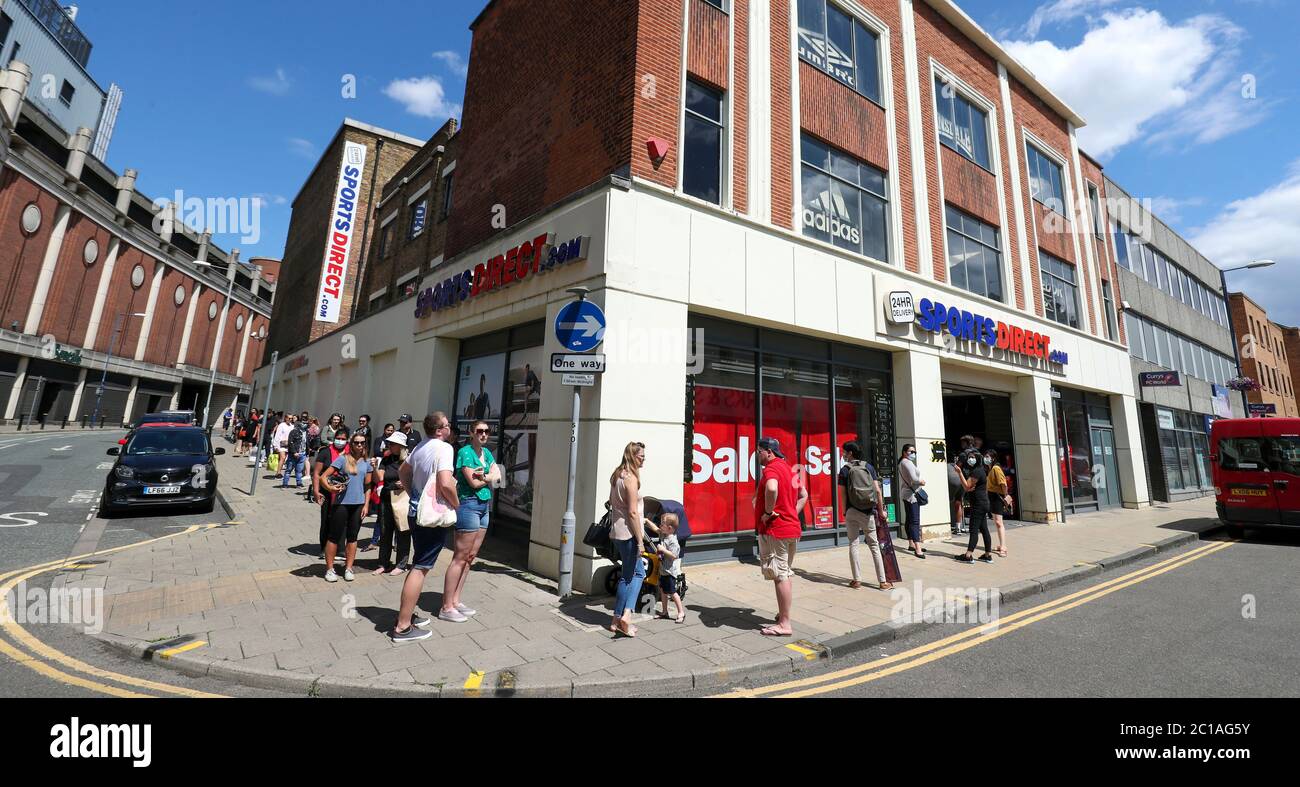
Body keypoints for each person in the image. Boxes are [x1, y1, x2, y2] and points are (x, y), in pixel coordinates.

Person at [389, 412, 456, 643]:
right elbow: (446, 482)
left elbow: (403, 472)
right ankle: (403, 626)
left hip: (416, 512)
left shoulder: (420, 446)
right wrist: (456, 503)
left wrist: (413, 494)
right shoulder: (444, 448)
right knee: (420, 567)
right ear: (439, 430)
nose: (449, 428)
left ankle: (407, 615)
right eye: (447, 425)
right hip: (431, 517)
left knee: (418, 564)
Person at [441, 419, 499, 622]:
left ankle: (456, 600)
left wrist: (486, 476)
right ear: (472, 432)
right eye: (480, 431)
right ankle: (446, 606)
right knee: (460, 555)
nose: (484, 434)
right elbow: (472, 482)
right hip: (468, 505)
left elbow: (498, 473)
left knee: (471, 556)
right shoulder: (465, 452)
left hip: (484, 506)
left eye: (486, 431)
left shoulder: (487, 453)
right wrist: (486, 477)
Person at [755, 436, 806, 637]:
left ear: (769, 452)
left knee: (780, 575)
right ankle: (783, 614)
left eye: (759, 451)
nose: (757, 455)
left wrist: (768, 513)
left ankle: (785, 624)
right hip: (792, 528)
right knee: (785, 572)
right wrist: (791, 512)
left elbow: (772, 488)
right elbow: (804, 495)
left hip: (777, 530)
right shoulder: (789, 467)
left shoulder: (772, 468)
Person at [838, 441, 893, 590]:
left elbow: (842, 494)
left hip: (851, 511)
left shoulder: (844, 470)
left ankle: (857, 580)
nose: (843, 454)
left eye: (844, 452)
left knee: (853, 544)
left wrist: (844, 511)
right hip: (868, 511)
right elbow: (877, 491)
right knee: (874, 545)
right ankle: (882, 582)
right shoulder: (868, 467)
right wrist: (881, 510)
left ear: (850, 453)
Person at [319, 431, 373, 582]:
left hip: (358, 504)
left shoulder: (367, 462)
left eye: (362, 442)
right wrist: (330, 489)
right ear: (352, 444)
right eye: (356, 442)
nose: (360, 445)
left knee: (353, 537)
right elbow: (323, 476)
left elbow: (368, 485)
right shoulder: (343, 459)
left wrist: (366, 504)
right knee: (334, 536)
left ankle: (349, 568)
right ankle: (330, 569)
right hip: (341, 503)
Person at [608, 441, 647, 638]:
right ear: (632, 456)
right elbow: (632, 512)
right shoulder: (630, 479)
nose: (644, 459)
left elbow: (612, 502)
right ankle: (627, 615)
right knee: (636, 575)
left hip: (617, 532)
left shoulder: (617, 474)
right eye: (641, 456)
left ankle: (615, 620)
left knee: (627, 574)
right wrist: (640, 542)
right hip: (630, 534)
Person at [372, 431, 412, 575]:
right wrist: (375, 467)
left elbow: (417, 478)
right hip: (386, 498)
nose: (390, 445)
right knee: (385, 531)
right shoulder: (386, 459)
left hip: (402, 499)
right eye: (389, 443)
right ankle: (383, 563)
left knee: (402, 531)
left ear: (401, 446)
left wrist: (406, 482)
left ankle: (401, 565)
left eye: (393, 443)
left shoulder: (409, 460)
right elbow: (378, 479)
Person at [313, 427, 349, 558]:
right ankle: (324, 548)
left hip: (345, 493)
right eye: (338, 439)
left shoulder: (351, 452)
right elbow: (316, 473)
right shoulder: (325, 452)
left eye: (343, 439)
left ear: (347, 440)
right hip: (326, 491)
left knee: (343, 521)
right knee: (327, 520)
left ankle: (340, 549)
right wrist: (316, 491)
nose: (340, 441)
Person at [956, 446, 993, 563]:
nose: (969, 459)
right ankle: (988, 555)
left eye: (972, 457)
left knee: (973, 529)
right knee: (984, 529)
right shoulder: (980, 470)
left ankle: (968, 555)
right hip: (983, 502)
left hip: (978, 504)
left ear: (977, 459)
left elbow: (966, 486)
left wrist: (959, 472)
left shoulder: (977, 471)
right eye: (969, 457)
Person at [897, 443, 926, 559]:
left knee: (909, 520)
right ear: (904, 452)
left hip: (906, 494)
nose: (913, 453)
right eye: (911, 451)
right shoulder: (907, 462)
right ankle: (918, 548)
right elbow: (914, 480)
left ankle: (911, 544)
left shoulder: (902, 462)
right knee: (914, 521)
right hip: (912, 496)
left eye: (914, 452)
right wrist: (922, 481)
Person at [655, 513, 686, 623]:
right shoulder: (664, 534)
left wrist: (663, 550)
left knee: (673, 593)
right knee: (663, 591)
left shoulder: (673, 541)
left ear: (669, 528)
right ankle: (664, 611)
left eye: (662, 524)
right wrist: (646, 521)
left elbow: (674, 556)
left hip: (669, 572)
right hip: (663, 570)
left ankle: (681, 612)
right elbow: (655, 529)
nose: (660, 525)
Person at [986, 450, 1012, 557]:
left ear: (993, 458)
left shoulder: (996, 468)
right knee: (997, 522)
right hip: (993, 496)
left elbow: (1003, 483)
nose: (985, 458)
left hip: (997, 497)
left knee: (998, 522)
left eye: (987, 456)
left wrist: (1005, 495)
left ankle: (1004, 547)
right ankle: (1001, 545)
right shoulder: (991, 468)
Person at [280, 415, 307, 489]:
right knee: (289, 470)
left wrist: (307, 451)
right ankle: (285, 484)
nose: (304, 424)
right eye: (303, 423)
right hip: (294, 454)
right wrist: (294, 452)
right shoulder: (294, 431)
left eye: (305, 423)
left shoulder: (306, 432)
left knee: (299, 470)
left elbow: (306, 443)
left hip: (302, 454)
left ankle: (299, 484)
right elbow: (290, 442)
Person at [947, 454, 965, 536]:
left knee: (948, 502)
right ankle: (958, 527)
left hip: (953, 483)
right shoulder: (957, 466)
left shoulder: (945, 466)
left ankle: (947, 524)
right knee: (958, 503)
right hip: (962, 482)